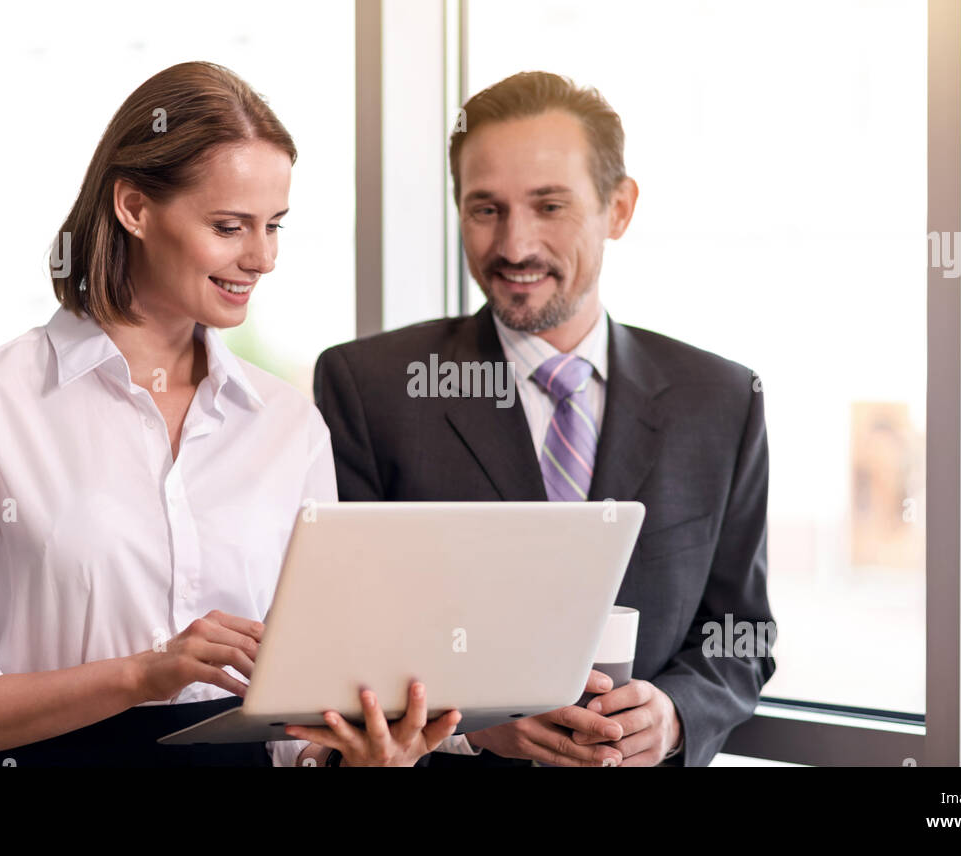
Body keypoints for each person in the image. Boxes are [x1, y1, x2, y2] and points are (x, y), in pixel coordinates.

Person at [0, 61, 459, 768]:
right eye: (229, 225)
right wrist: (143, 674)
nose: (262, 257)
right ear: (134, 207)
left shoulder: (288, 427)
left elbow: (291, 731)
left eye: (274, 226)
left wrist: (358, 757)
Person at [313, 71, 776, 767]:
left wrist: (677, 714)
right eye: (485, 209)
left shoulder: (721, 400)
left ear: (618, 208)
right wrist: (474, 723)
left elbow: (739, 634)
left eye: (549, 206)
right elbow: (340, 638)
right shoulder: (371, 388)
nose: (515, 246)